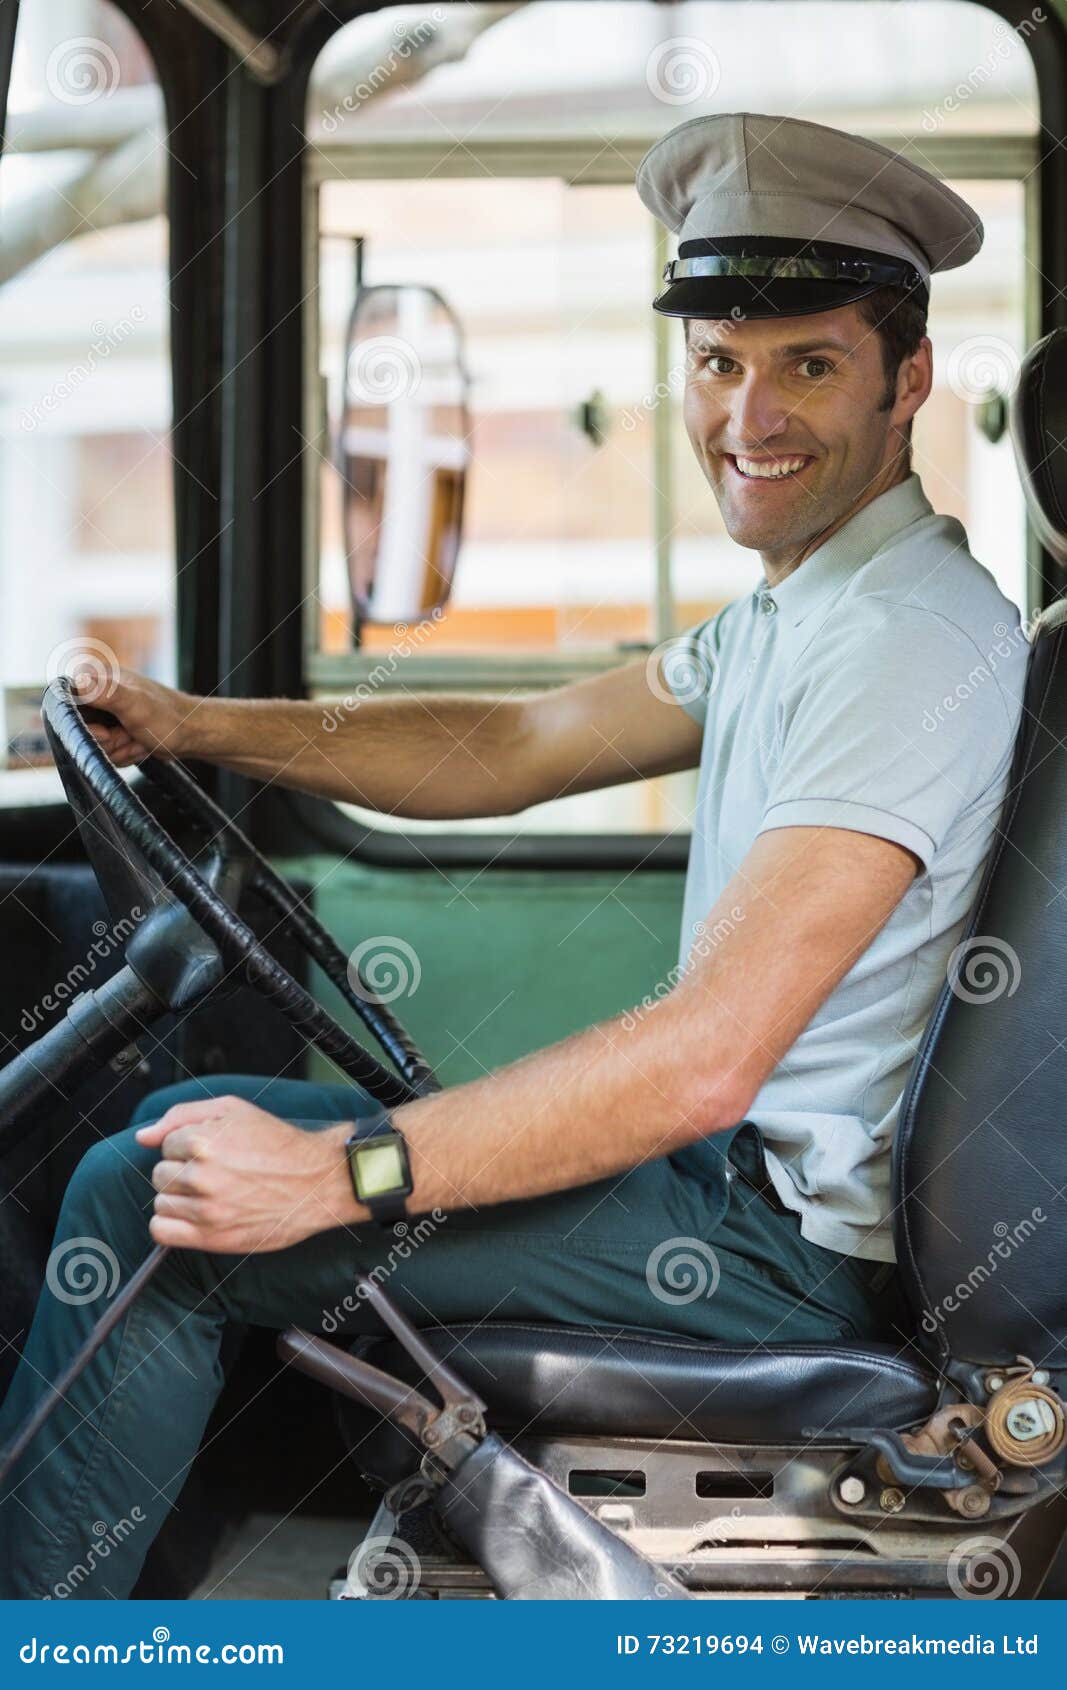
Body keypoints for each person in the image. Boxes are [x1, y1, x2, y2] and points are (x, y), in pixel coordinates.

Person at [0, 111, 1028, 1598]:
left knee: (140, 1208)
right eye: (719, 363)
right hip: (720, 1186)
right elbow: (524, 744)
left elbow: (704, 1060)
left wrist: (340, 1174)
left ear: (909, 377)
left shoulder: (901, 641)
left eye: (809, 362)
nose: (750, 417)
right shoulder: (805, 609)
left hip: (773, 1245)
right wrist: (190, 720)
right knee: (190, 1124)